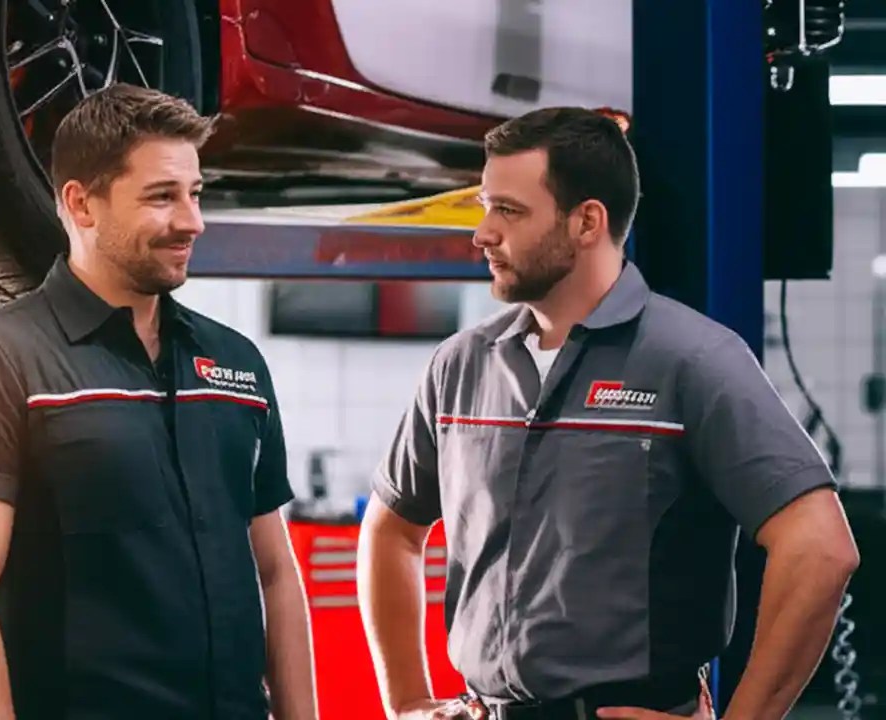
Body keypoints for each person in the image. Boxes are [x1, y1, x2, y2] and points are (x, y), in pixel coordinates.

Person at [356, 107, 860, 720]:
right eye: (486, 206)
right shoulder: (461, 365)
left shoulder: (694, 360)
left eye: (508, 211)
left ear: (587, 222)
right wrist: (406, 701)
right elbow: (392, 528)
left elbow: (821, 549)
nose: (482, 233)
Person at [0, 83, 318, 720]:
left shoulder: (235, 364)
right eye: (162, 197)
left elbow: (274, 574)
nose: (192, 221)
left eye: (194, 194)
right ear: (83, 205)